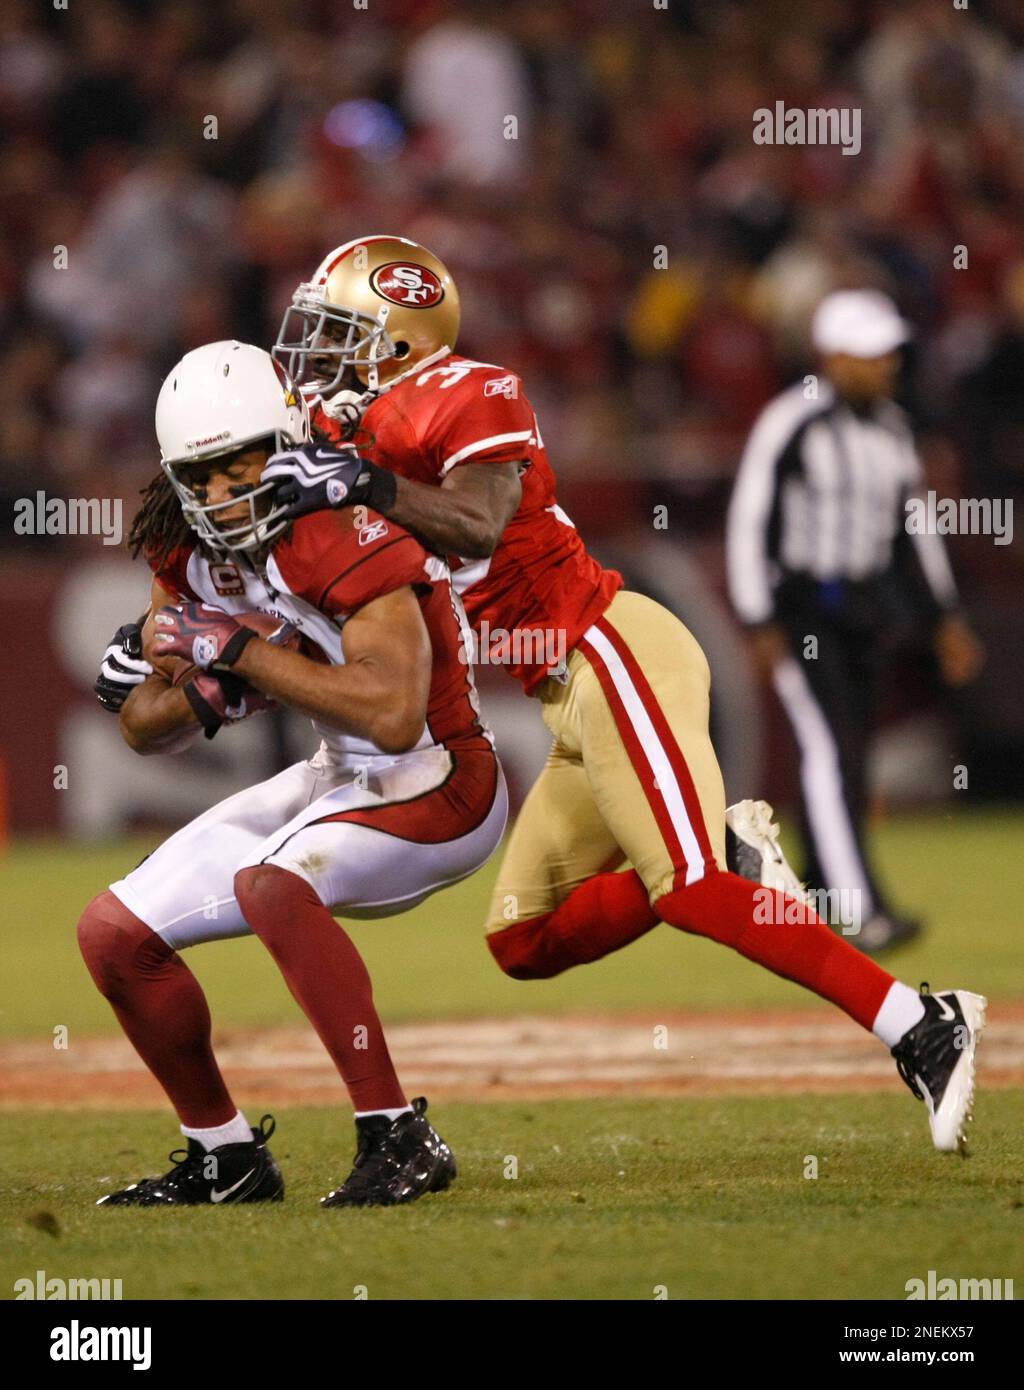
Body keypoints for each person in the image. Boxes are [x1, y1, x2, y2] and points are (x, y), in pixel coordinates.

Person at [256, 238, 986, 1153]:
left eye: (342, 332)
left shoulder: (469, 389)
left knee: (691, 889)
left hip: (609, 648)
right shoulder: (350, 438)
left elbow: (479, 515)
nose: (320, 356)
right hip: (566, 690)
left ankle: (919, 1023)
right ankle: (731, 850)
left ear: (399, 338)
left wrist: (361, 481)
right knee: (522, 941)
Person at [80, 340, 507, 1208]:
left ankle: (398, 1134)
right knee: (113, 935)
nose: (228, 494)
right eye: (205, 476)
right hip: (340, 772)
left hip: (443, 775)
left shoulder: (335, 527)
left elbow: (393, 711)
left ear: (286, 445)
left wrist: (237, 653)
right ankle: (224, 1158)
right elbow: (141, 727)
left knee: (273, 885)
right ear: (176, 476)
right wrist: (206, 681)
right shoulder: (185, 545)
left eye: (246, 466)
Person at [726, 289, 984, 953]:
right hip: (803, 606)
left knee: (850, 755)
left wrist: (943, 618)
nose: (885, 368)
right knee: (831, 749)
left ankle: (812, 893)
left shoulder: (892, 430)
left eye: (888, 355)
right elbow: (751, 519)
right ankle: (861, 908)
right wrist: (758, 618)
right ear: (833, 356)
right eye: (870, 356)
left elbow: (913, 531)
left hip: (865, 612)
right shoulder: (792, 421)